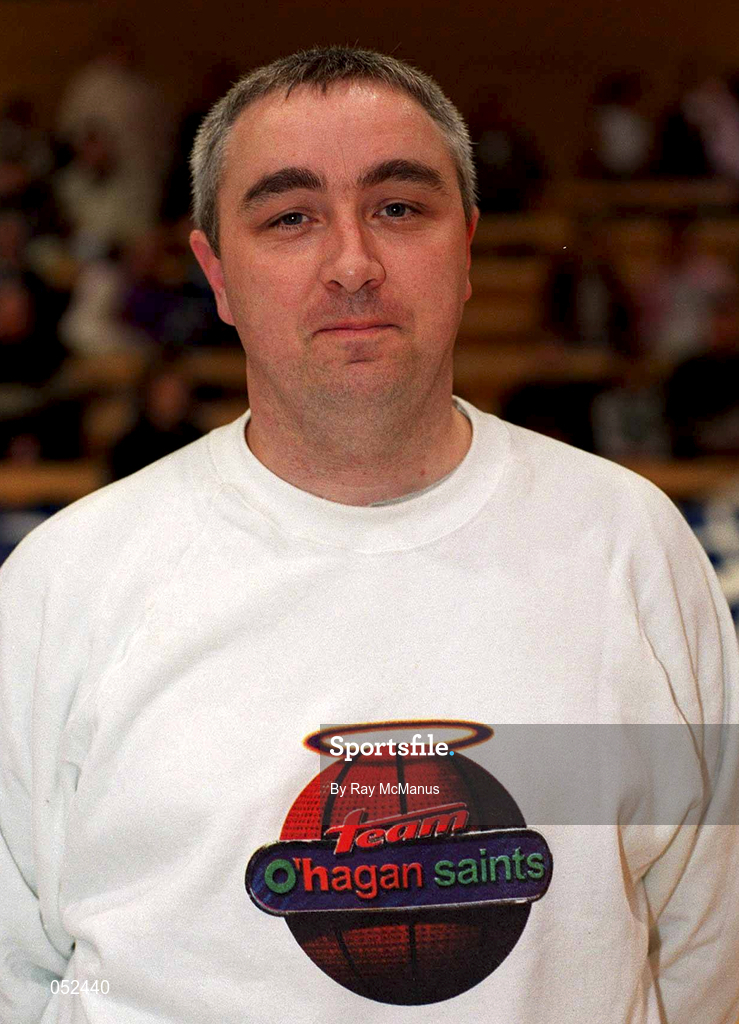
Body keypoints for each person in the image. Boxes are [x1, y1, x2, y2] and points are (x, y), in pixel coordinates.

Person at [1, 46, 738, 1024]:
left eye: (397, 207)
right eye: (289, 218)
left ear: (465, 247)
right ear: (216, 274)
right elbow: (20, 974)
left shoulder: (625, 545)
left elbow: (698, 948)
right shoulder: (67, 582)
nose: (352, 263)